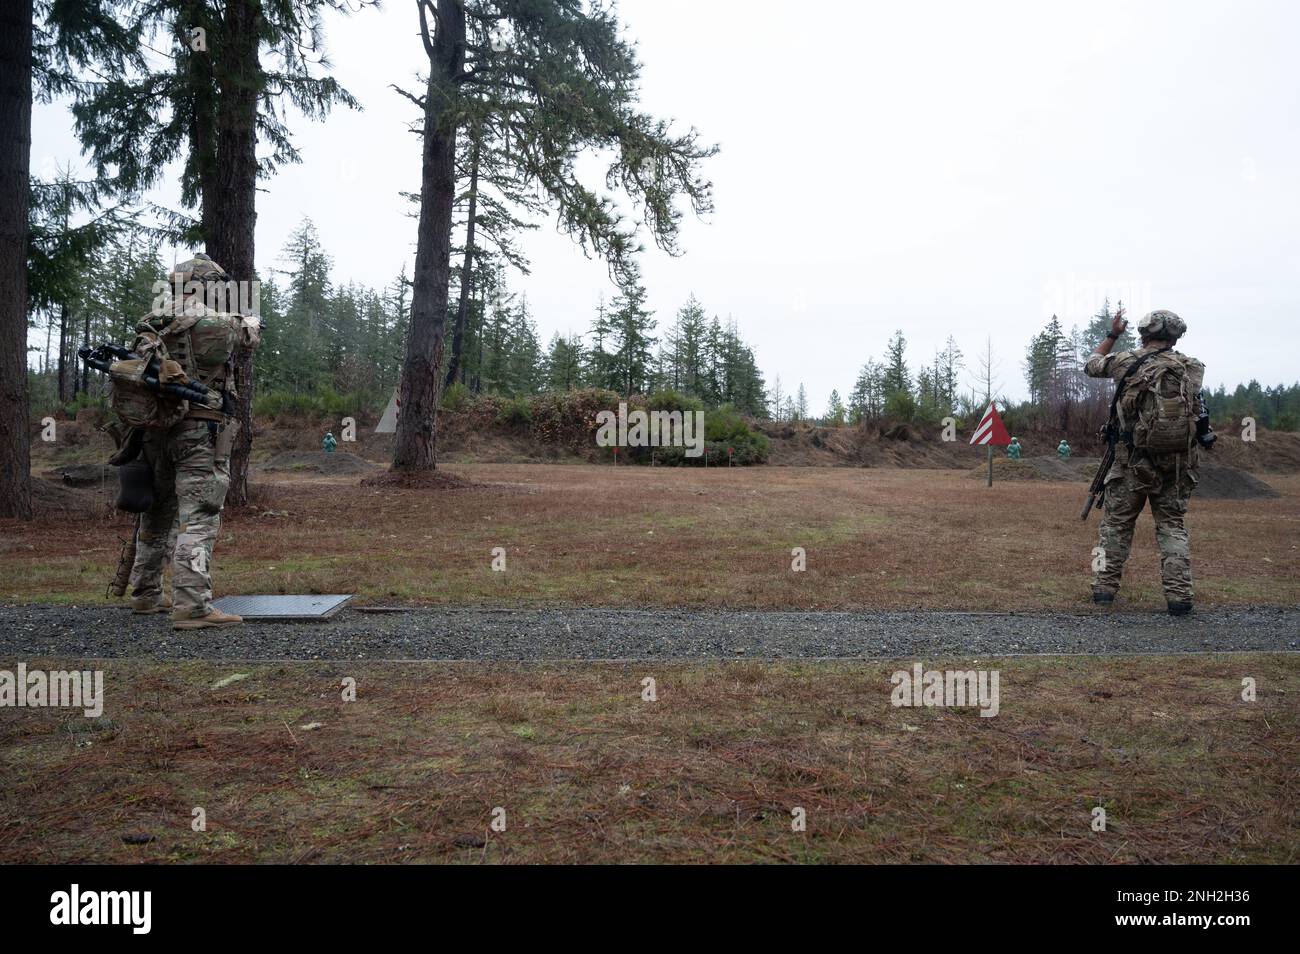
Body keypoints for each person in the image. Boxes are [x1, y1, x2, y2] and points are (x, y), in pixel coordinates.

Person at [127, 254, 261, 630]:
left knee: (156, 515)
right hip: (200, 431)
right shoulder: (216, 322)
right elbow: (248, 338)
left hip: (156, 431)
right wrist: (247, 316)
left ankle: (145, 595)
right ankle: (192, 606)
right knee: (199, 517)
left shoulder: (151, 322)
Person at [1084, 308, 1212, 615]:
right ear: (1176, 336)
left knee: (1114, 528)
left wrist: (1113, 334)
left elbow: (1091, 366)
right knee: (1172, 529)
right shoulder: (1192, 367)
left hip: (1130, 463)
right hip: (1177, 465)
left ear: (1143, 334)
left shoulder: (1127, 361)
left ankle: (1103, 590)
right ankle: (1179, 597)